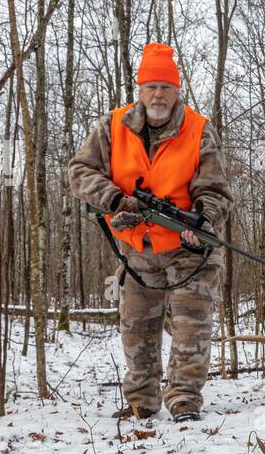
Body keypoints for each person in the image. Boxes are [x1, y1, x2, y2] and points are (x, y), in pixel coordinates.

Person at [67, 42, 233, 422]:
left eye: (166, 87)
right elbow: (79, 171)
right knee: (136, 329)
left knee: (192, 327)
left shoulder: (199, 129)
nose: (159, 94)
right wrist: (114, 200)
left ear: (178, 91)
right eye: (151, 86)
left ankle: (184, 400)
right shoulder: (113, 126)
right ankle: (142, 402)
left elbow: (216, 189)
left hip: (188, 248)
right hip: (137, 247)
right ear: (140, 90)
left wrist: (203, 223)